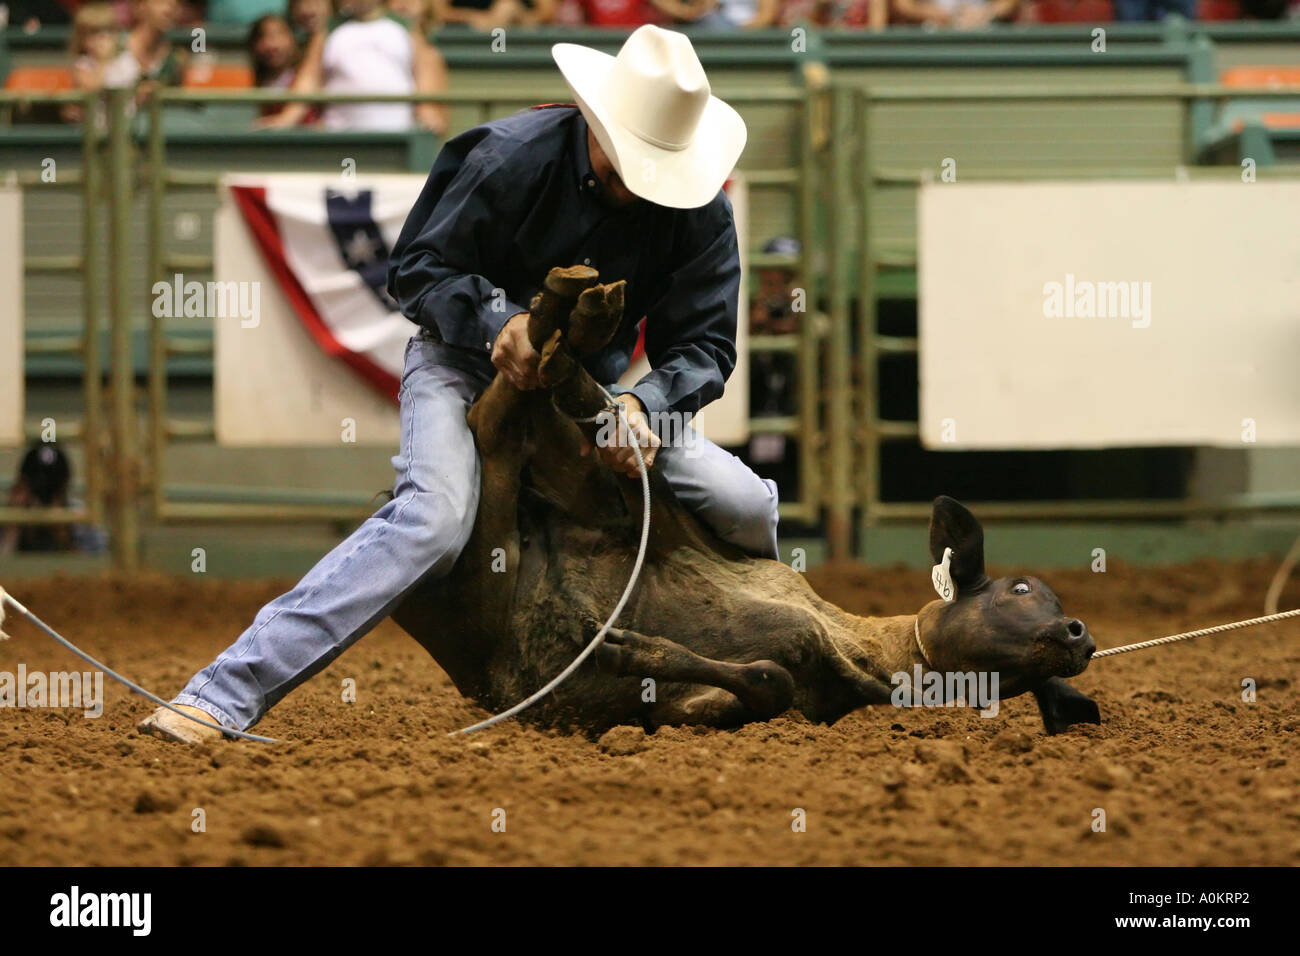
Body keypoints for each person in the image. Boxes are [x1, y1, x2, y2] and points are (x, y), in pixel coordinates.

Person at [139, 24, 776, 744]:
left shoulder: (700, 207)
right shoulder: (508, 158)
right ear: (596, 124)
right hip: (461, 363)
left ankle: (768, 665)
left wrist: (643, 405)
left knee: (745, 503)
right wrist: (497, 321)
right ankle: (221, 694)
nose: (641, 182)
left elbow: (705, 344)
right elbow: (415, 270)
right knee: (432, 522)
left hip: (592, 396)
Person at [258, 0, 448, 133]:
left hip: (397, 136)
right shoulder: (328, 30)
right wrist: (288, 117)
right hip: (341, 138)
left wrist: (428, 110)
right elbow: (309, 78)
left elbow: (425, 72)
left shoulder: (406, 28)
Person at [0, 443, 107, 555]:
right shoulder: (6, 516)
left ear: (65, 485)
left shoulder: (83, 519)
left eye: (52, 486)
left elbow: (94, 568)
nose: (44, 494)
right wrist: (13, 526)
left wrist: (64, 535)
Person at [62, 2, 141, 125]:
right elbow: (91, 88)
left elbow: (135, 88)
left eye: (108, 31)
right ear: (82, 38)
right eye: (94, 33)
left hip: (126, 127)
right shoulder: (83, 64)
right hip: (96, 131)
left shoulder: (126, 60)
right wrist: (103, 61)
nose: (102, 38)